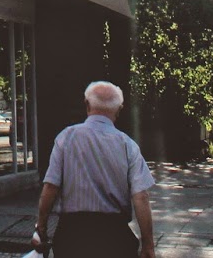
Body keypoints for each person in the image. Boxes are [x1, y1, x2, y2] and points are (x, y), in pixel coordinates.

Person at [34, 81, 157, 258]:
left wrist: (42, 226)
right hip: (115, 237)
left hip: (72, 235)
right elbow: (141, 197)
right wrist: (148, 245)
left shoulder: (66, 138)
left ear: (86, 104)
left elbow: (51, 187)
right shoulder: (127, 145)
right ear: (119, 110)